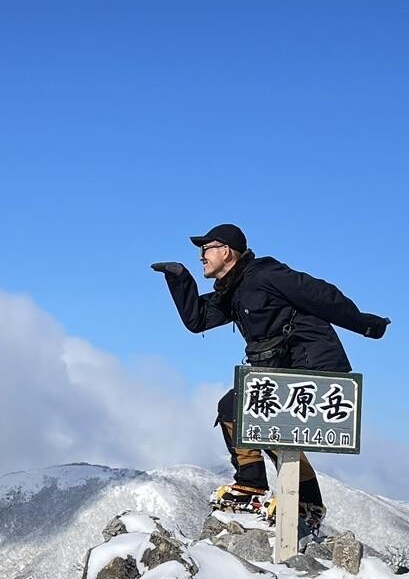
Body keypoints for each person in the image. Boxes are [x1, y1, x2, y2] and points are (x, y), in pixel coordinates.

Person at [152, 223, 389, 538]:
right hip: (282, 371)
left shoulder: (266, 275)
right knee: (235, 410)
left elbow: (322, 295)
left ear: (227, 251)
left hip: (312, 365)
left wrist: (364, 324)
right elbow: (198, 320)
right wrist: (179, 278)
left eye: (206, 249)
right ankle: (260, 486)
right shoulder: (233, 291)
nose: (201, 256)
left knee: (258, 416)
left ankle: (294, 498)